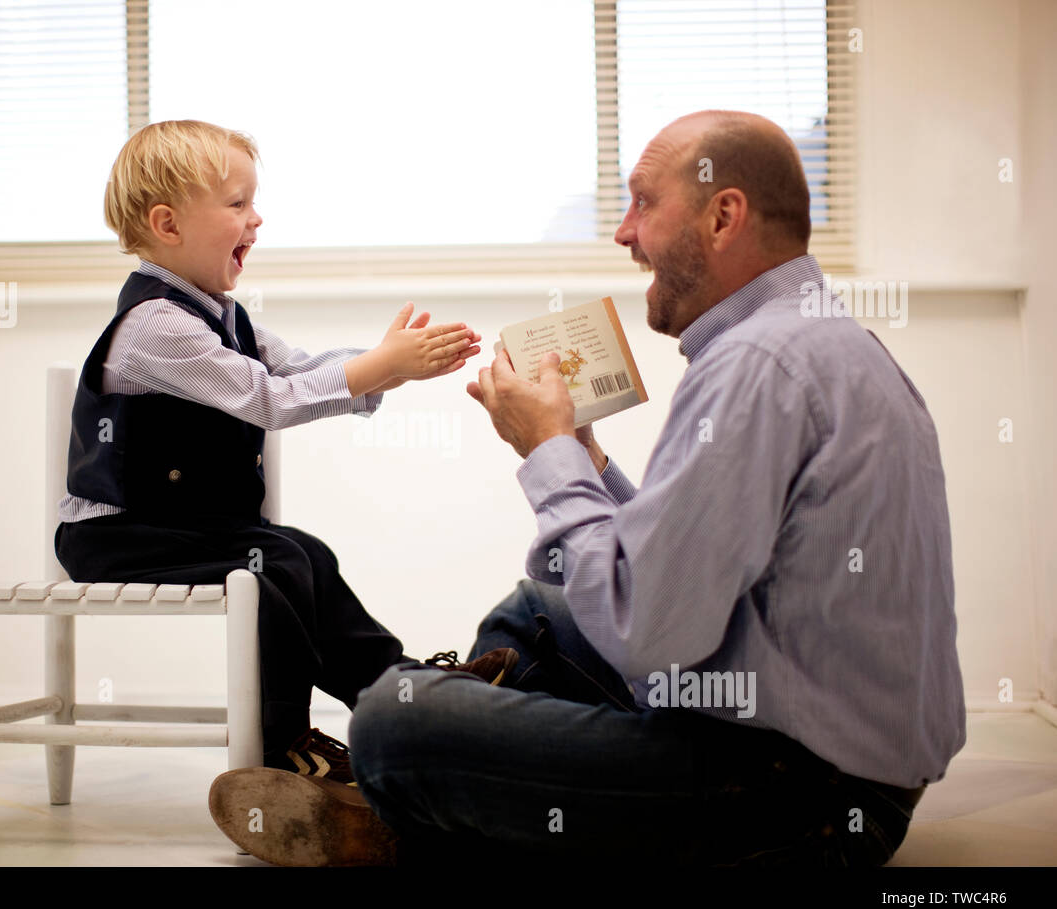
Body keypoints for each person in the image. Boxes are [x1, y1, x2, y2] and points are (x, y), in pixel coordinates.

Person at [206, 109, 967, 866]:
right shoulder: (811, 337)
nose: (624, 232)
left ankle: (413, 804)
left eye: (644, 202)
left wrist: (549, 450)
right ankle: (438, 803)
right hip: (820, 748)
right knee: (535, 613)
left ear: (723, 216)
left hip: (804, 798)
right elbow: (694, 571)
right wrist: (587, 458)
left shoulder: (758, 366)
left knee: (388, 726)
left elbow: (648, 631)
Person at [55, 119, 514, 786]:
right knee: (273, 571)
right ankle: (282, 748)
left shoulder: (222, 315)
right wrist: (379, 366)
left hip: (188, 527)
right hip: (117, 533)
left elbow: (299, 369)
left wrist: (385, 368)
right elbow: (268, 399)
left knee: (306, 554)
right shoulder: (156, 326)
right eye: (237, 204)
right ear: (168, 224)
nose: (257, 218)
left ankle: (408, 695)